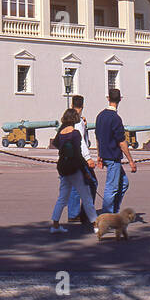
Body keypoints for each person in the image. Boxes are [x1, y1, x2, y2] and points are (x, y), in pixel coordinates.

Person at [50, 107, 97, 234]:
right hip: (75, 169)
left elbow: (56, 144)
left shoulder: (61, 133)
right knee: (86, 196)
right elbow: (78, 154)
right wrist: (86, 171)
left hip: (63, 167)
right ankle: (96, 224)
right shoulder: (75, 133)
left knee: (62, 197)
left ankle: (55, 224)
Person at [94, 89, 137, 216]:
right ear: (120, 99)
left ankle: (114, 211)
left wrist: (99, 155)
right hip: (113, 157)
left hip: (105, 154)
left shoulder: (100, 116)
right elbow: (122, 142)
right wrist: (130, 160)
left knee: (124, 183)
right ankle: (107, 216)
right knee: (111, 188)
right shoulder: (116, 118)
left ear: (108, 98)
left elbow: (98, 137)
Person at [66, 95, 89, 224]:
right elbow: (82, 142)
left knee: (71, 187)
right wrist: (88, 158)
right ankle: (80, 213)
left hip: (68, 157)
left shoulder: (68, 119)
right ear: (83, 106)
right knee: (89, 184)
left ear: (72, 105)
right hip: (79, 158)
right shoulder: (78, 121)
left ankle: (73, 212)